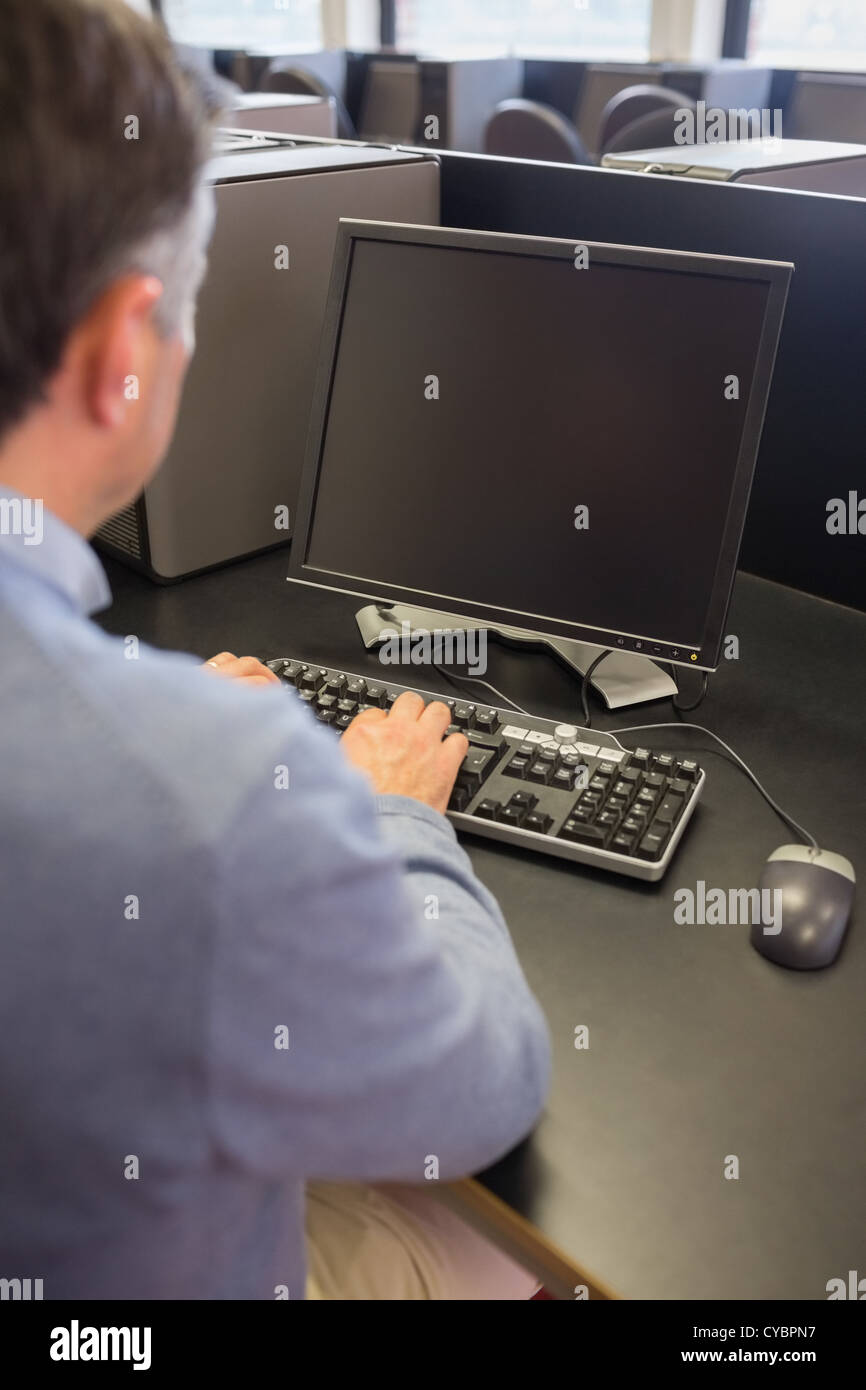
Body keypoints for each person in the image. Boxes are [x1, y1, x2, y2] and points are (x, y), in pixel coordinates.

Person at [0, 0, 550, 1300]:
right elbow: (486, 1084)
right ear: (117, 353)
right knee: (509, 1247)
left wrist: (136, 712)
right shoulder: (210, 791)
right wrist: (397, 821)